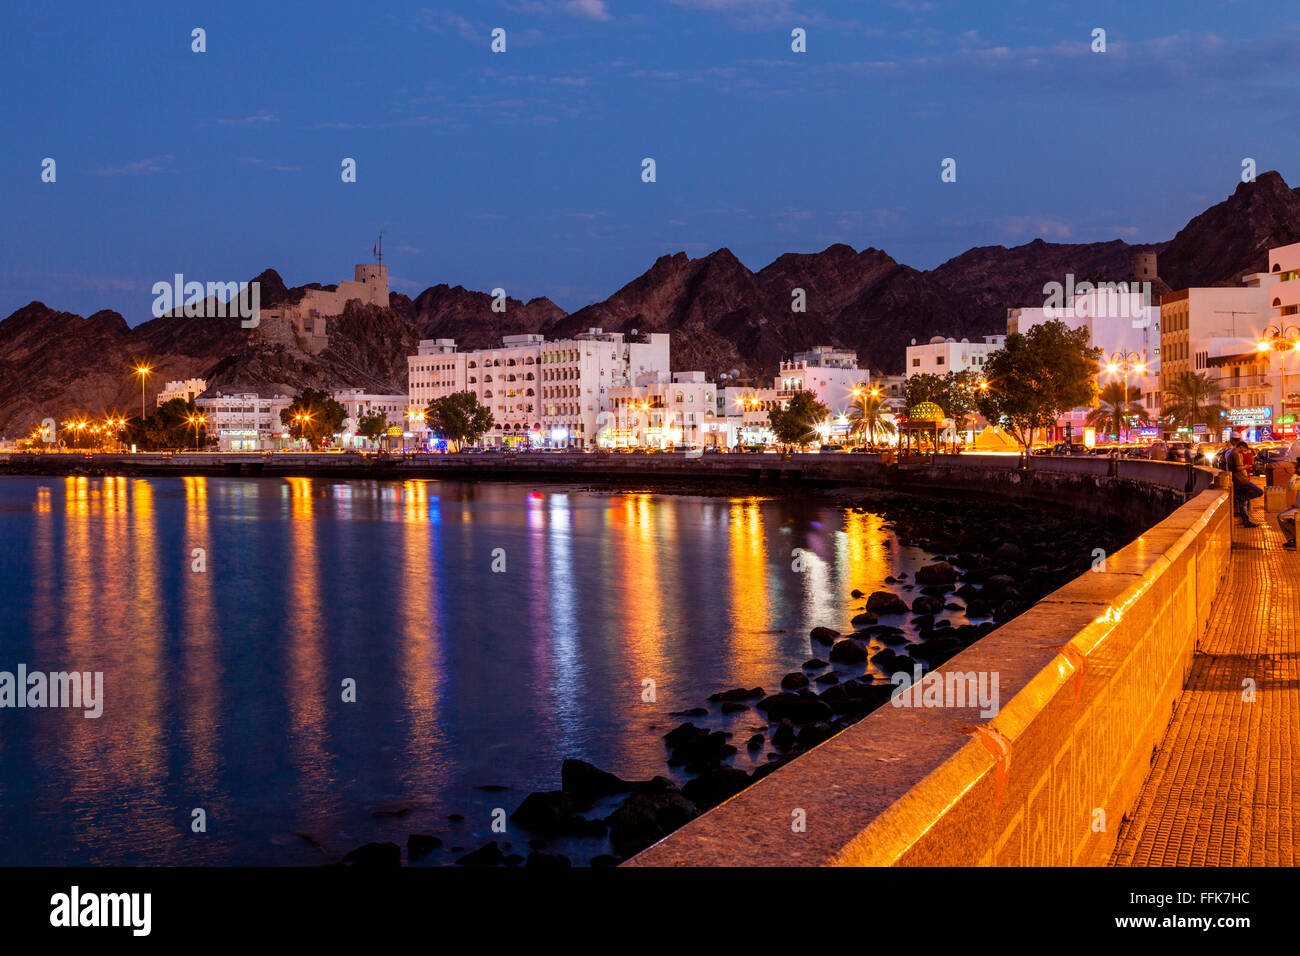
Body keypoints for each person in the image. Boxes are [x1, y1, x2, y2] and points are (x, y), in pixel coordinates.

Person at [1226, 436, 1263, 527]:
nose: (1244, 452)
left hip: (1237, 479)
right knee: (1259, 491)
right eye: (1244, 449)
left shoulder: (1233, 453)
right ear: (1241, 447)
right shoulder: (1235, 454)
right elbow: (1238, 467)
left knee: (1243, 504)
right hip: (1241, 480)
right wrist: (1246, 466)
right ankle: (1242, 497)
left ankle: (1246, 522)